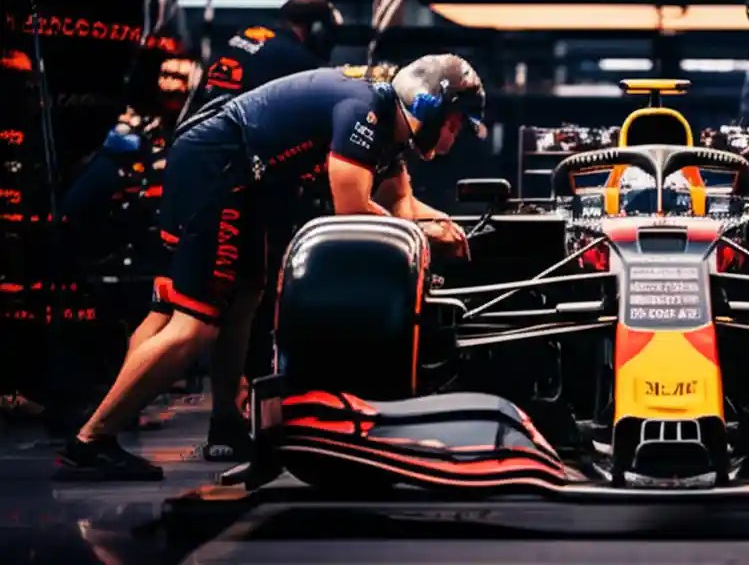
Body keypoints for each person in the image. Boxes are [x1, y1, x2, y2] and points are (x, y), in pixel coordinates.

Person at [54, 54, 481, 480]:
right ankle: (91, 441)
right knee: (194, 324)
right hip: (218, 166)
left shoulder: (388, 125)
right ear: (431, 105)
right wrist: (425, 237)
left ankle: (225, 425)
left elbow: (399, 205)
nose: (456, 134)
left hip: (239, 175)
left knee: (241, 299)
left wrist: (444, 225)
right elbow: (352, 213)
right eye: (457, 122)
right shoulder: (363, 115)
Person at [177, 0, 342, 124]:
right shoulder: (297, 58)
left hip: (200, 125)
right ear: (316, 29)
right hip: (237, 139)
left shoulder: (249, 33)